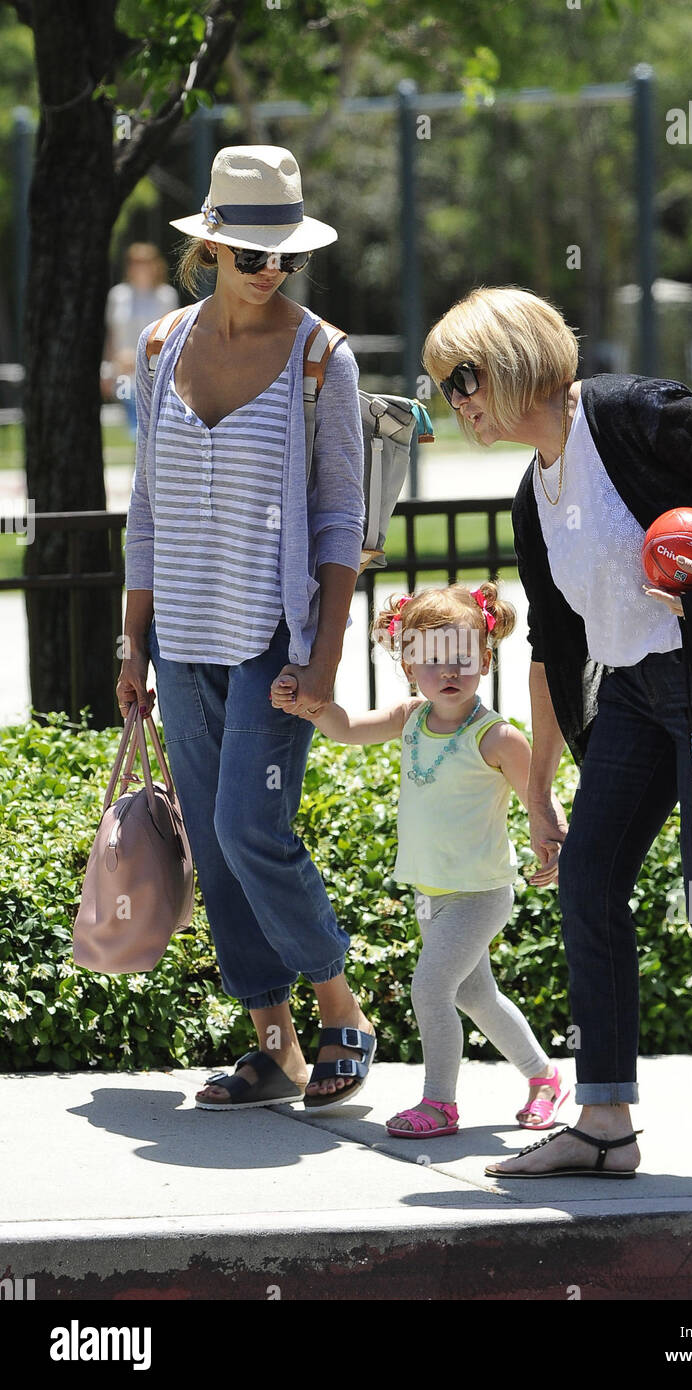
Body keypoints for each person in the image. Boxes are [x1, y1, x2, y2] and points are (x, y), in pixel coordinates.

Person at [422, 285, 692, 1178]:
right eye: (442, 384)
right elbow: (550, 645)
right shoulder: (529, 496)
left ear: (510, 359)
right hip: (633, 698)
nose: (452, 399)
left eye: (461, 377)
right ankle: (605, 1120)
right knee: (587, 880)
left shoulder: (630, 413)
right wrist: (536, 790)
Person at [118, 146, 377, 1112]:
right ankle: (275, 1050)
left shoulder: (322, 359)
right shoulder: (158, 350)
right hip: (180, 637)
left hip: (274, 639)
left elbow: (338, 520)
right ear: (212, 246)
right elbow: (145, 508)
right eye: (251, 257)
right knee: (215, 845)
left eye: (285, 259)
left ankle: (342, 1013)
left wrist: (325, 658)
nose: (270, 273)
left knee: (247, 826)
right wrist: (129, 643)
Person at [272, 582, 570, 1136]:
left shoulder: (496, 736)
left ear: (485, 658)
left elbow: (539, 796)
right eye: (433, 661)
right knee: (477, 994)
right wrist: (310, 707)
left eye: (462, 658)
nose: (449, 672)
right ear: (409, 664)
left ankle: (439, 1104)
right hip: (431, 893)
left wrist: (548, 838)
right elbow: (348, 729)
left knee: (431, 990)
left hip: (479, 893)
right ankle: (545, 1078)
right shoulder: (411, 717)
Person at [103, 244, 178, 440]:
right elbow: (112, 336)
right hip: (123, 374)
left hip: (154, 371)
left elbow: (170, 336)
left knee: (149, 427)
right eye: (135, 264)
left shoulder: (166, 296)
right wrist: (107, 368)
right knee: (134, 427)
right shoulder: (118, 296)